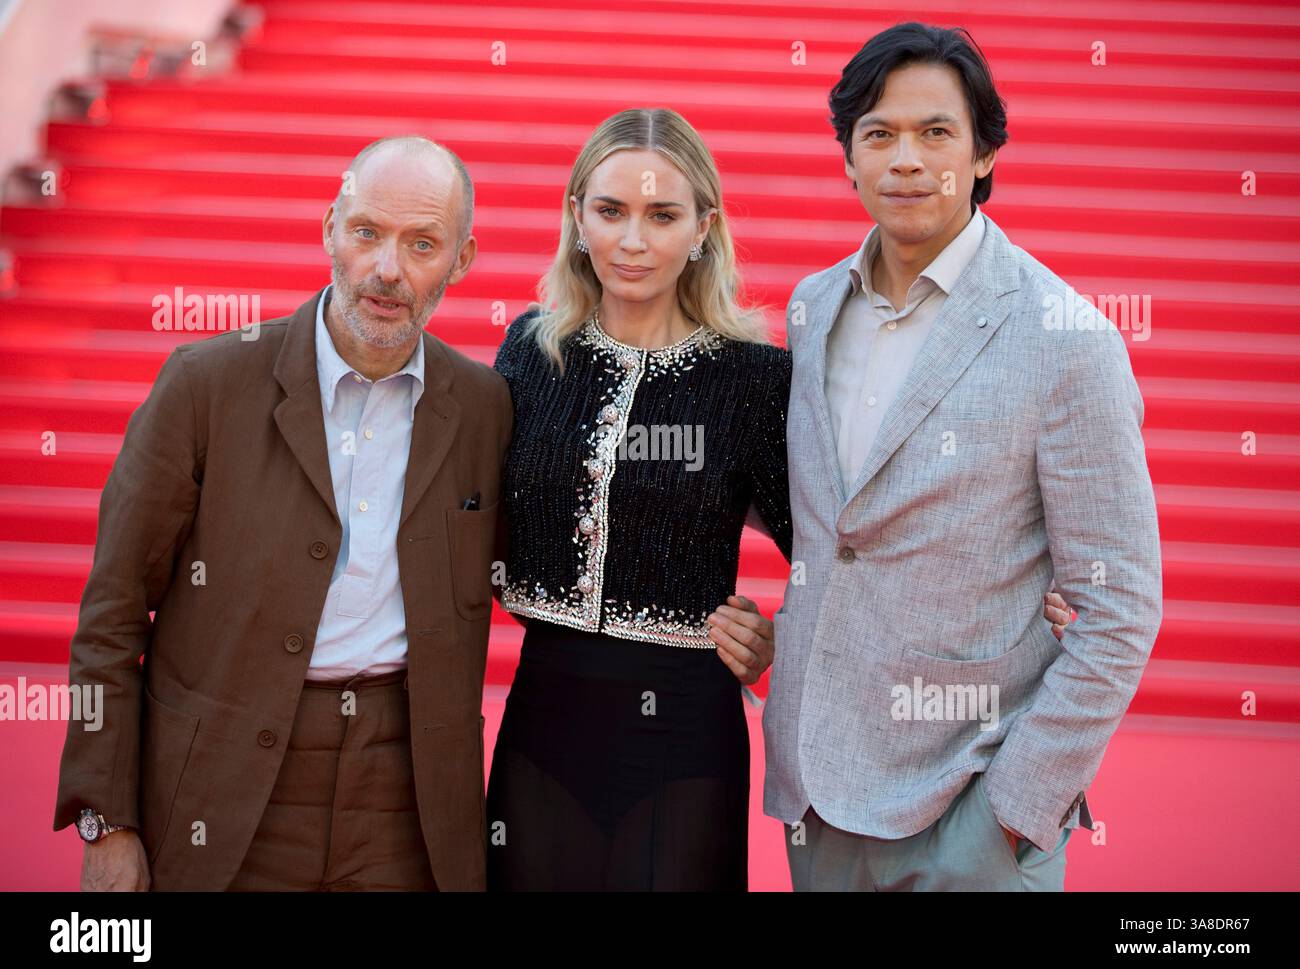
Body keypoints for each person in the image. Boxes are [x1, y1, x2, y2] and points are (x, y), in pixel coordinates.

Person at [485, 107, 1073, 891]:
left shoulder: (756, 379)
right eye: (610, 211)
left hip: (685, 740)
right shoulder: (529, 351)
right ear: (576, 216)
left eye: (662, 215)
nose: (633, 241)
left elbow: (838, 550)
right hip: (542, 726)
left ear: (703, 227)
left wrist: (777, 637)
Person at [764, 23, 1163, 892]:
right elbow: (825, 516)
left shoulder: (1067, 342)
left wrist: (1017, 807)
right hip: (820, 798)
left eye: (936, 133)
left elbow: (1120, 606)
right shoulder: (811, 307)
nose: (906, 159)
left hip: (970, 812)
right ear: (849, 160)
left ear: (983, 156)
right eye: (879, 134)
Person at [53, 135, 511, 891]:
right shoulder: (206, 385)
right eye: (367, 232)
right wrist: (106, 817)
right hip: (225, 794)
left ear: (460, 262)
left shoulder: (486, 407)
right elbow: (112, 613)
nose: (387, 269)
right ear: (330, 227)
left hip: (411, 805)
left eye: (422, 243)